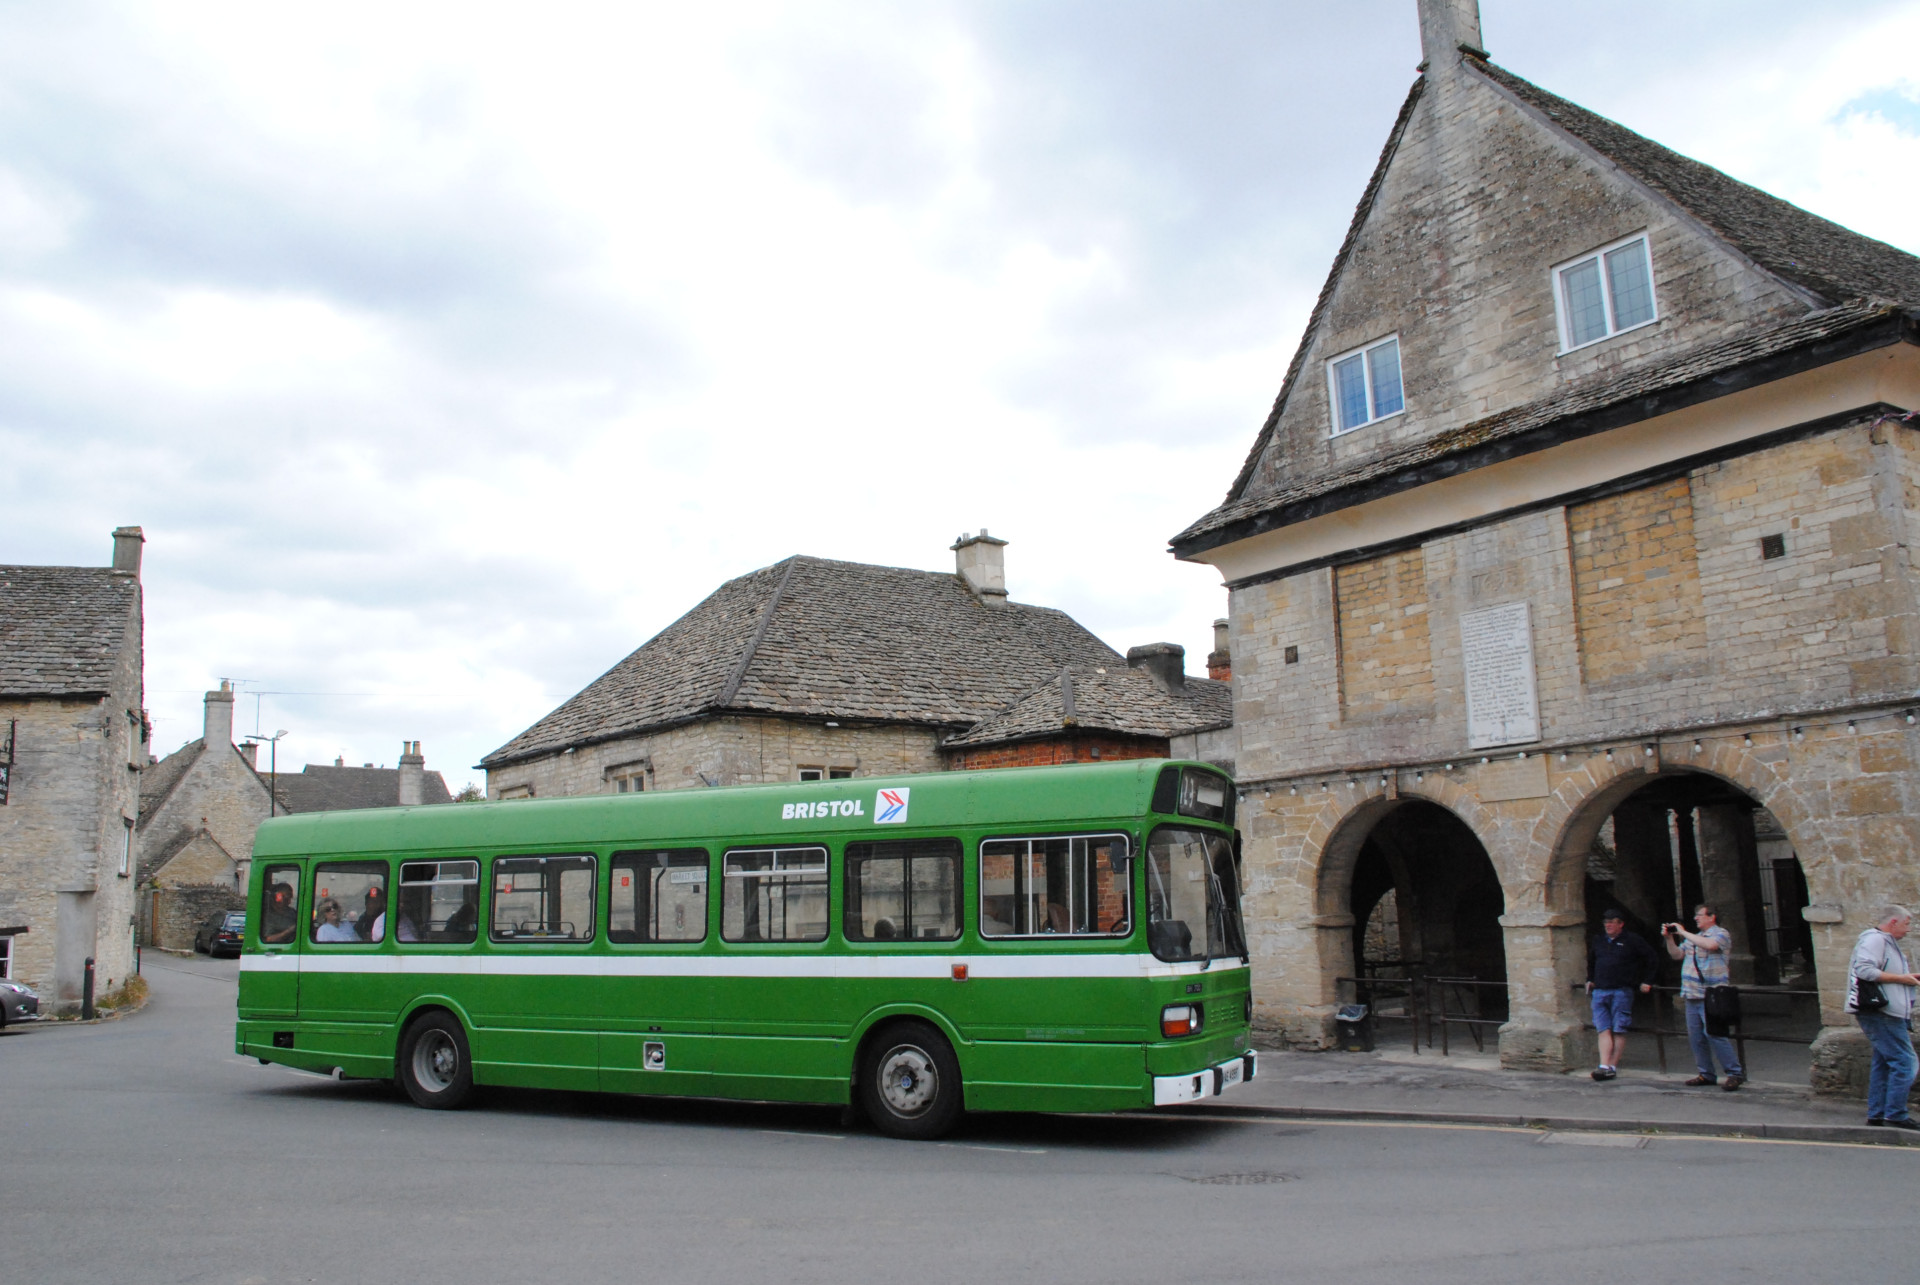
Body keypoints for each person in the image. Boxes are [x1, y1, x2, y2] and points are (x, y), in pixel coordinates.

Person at [1848, 905, 1920, 1130]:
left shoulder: (1883, 941)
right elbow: (1865, 970)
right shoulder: (1876, 940)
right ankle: (1896, 1114)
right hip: (1882, 1012)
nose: (1909, 929)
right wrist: (1902, 979)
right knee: (1906, 1062)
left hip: (1885, 1012)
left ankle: (1878, 1114)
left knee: (1884, 1062)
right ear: (1893, 923)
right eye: (1906, 924)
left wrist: (1906, 977)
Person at [1664, 902, 1744, 1091]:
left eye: (1699, 915)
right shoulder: (1694, 937)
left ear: (1711, 916)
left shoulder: (1721, 934)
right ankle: (1706, 1073)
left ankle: (1734, 1073)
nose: (1695, 918)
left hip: (1712, 994)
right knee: (1696, 1037)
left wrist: (1683, 933)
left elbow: (1710, 945)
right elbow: (1677, 955)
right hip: (1691, 994)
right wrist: (1669, 939)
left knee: (1716, 1035)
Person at [1585, 909, 1656, 1081]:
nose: (1608, 925)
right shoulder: (1599, 940)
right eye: (1606, 923)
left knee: (1618, 1029)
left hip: (1621, 990)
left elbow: (1652, 958)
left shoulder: (1632, 940)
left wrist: (1647, 980)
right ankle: (1603, 1065)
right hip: (1601, 989)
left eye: (1612, 922)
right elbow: (1592, 960)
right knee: (1603, 1028)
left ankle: (1612, 1066)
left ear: (1620, 924)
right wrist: (1590, 979)